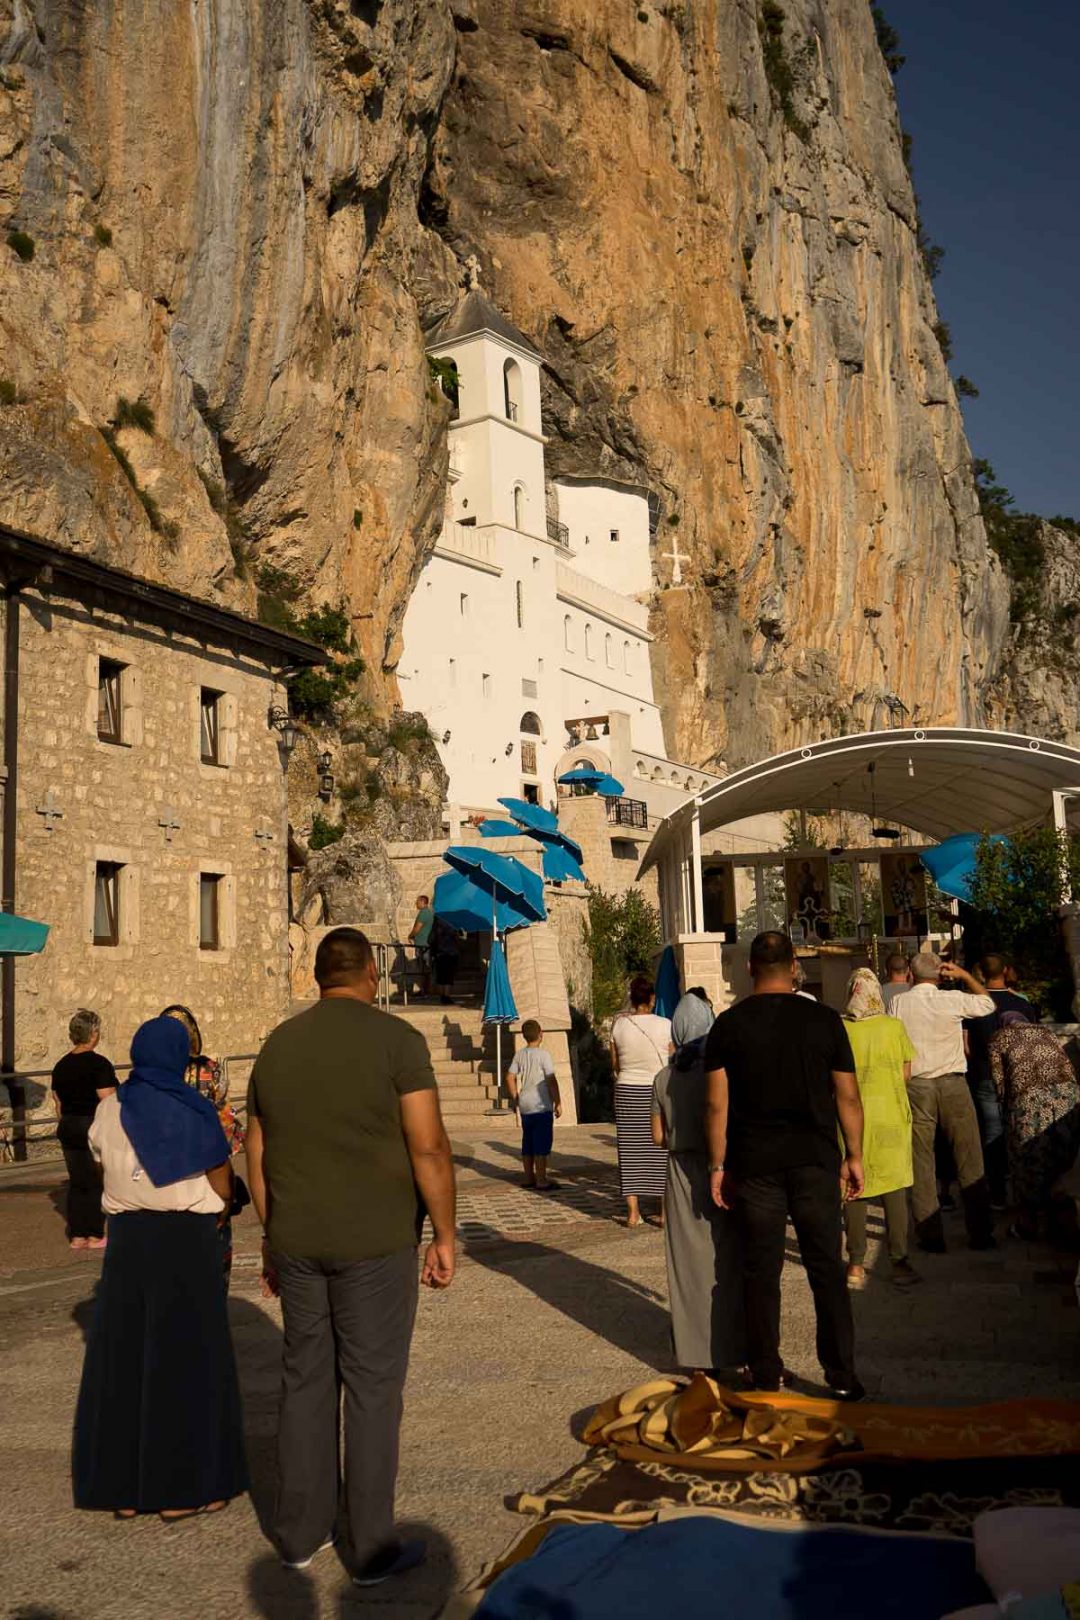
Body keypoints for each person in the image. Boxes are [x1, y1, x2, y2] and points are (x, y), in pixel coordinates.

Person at [244, 926, 456, 1588]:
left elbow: (254, 1152)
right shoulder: (397, 1042)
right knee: (370, 1388)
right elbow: (428, 1146)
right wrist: (447, 1233)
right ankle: (368, 1547)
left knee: (305, 1382)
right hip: (376, 1243)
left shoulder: (277, 1046)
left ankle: (298, 1536)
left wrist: (273, 1233)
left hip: (298, 1242)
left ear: (315, 975)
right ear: (370, 972)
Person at [73, 1015, 244, 1518]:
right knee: (190, 1361)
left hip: (127, 1242)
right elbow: (221, 1180)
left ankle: (123, 1489)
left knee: (124, 1363)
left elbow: (102, 1160)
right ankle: (187, 1488)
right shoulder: (194, 1110)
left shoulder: (110, 1109)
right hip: (186, 1240)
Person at [705, 931, 865, 1401]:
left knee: (761, 1270)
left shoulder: (728, 1025)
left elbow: (717, 1105)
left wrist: (718, 1164)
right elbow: (848, 1095)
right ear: (795, 966)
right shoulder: (824, 1021)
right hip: (815, 1159)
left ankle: (766, 1370)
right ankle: (841, 1375)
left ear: (750, 968)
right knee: (826, 1269)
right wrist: (853, 1155)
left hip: (755, 1163)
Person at [652, 991, 745, 1374]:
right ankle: (732, 1348)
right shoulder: (723, 1071)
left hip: (678, 1172)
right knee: (726, 1260)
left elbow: (658, 1137)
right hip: (720, 1166)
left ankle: (695, 1354)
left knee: (686, 1265)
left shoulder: (662, 1077)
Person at [894, 952, 996, 1253]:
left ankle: (930, 1234)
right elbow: (989, 1004)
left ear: (911, 975)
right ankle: (980, 1232)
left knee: (922, 1160)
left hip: (918, 1085)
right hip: (953, 1083)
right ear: (941, 975)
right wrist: (965, 976)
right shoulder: (951, 999)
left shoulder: (898, 1003)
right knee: (969, 1156)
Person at [840, 969, 920, 1290]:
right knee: (895, 1191)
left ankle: (856, 1265)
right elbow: (906, 1074)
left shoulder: (840, 1029)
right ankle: (899, 1262)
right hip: (890, 1119)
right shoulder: (893, 1028)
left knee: (855, 1191)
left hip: (850, 1122)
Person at [161, 1005, 245, 1282]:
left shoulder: (153, 1075)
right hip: (208, 1170)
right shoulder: (208, 1069)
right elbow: (225, 1121)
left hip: (164, 1173)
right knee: (214, 1249)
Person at [990, 1008, 1080, 1240]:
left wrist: (1008, 1116)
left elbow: (999, 1083)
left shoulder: (1000, 1037)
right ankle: (1060, 1221)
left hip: (1029, 1101)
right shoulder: (1045, 1031)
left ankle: (1028, 1224)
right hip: (1068, 1097)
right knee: (1061, 1158)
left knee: (1027, 1161)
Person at [962, 956, 1032, 1209]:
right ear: (1005, 970)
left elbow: (966, 1046)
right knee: (1020, 1129)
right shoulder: (1022, 1004)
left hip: (985, 1074)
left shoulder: (973, 1004)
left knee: (992, 1132)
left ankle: (998, 1193)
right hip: (1018, 1075)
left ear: (980, 972)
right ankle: (1023, 1189)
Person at [51, 1009, 116, 1251]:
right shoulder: (99, 1064)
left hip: (68, 1125)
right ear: (93, 1033)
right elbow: (108, 1100)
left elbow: (58, 1102)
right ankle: (94, 1234)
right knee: (97, 1181)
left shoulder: (61, 1066)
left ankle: (77, 1235)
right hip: (92, 1125)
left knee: (77, 1182)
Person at [610, 975, 671, 1228]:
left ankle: (633, 1213)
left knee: (630, 1149)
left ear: (632, 999)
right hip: (657, 1089)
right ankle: (664, 1212)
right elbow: (673, 1059)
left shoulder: (618, 1026)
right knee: (661, 1149)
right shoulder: (666, 1024)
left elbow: (614, 1064)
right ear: (652, 999)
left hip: (627, 1090)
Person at [505, 1019, 562, 1191]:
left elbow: (509, 1077)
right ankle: (541, 1179)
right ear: (540, 1033)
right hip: (540, 1104)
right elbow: (551, 1079)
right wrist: (558, 1101)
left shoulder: (520, 1054)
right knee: (541, 1143)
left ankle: (529, 1177)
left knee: (528, 1141)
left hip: (525, 1104)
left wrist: (516, 1096)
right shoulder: (543, 1055)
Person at [430, 914, 460, 1006]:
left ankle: (442, 996)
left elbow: (432, 939)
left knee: (441, 975)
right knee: (448, 975)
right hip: (451, 952)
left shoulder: (437, 924)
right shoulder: (452, 923)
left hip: (440, 952)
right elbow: (457, 937)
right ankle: (446, 996)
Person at [408, 894, 434, 998]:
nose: (416, 904)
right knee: (425, 968)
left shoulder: (423, 913)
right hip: (426, 944)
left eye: (417, 902)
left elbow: (418, 927)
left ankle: (424, 991)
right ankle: (426, 990)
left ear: (423, 902)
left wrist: (410, 936)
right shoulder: (429, 913)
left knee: (423, 968)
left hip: (422, 944)